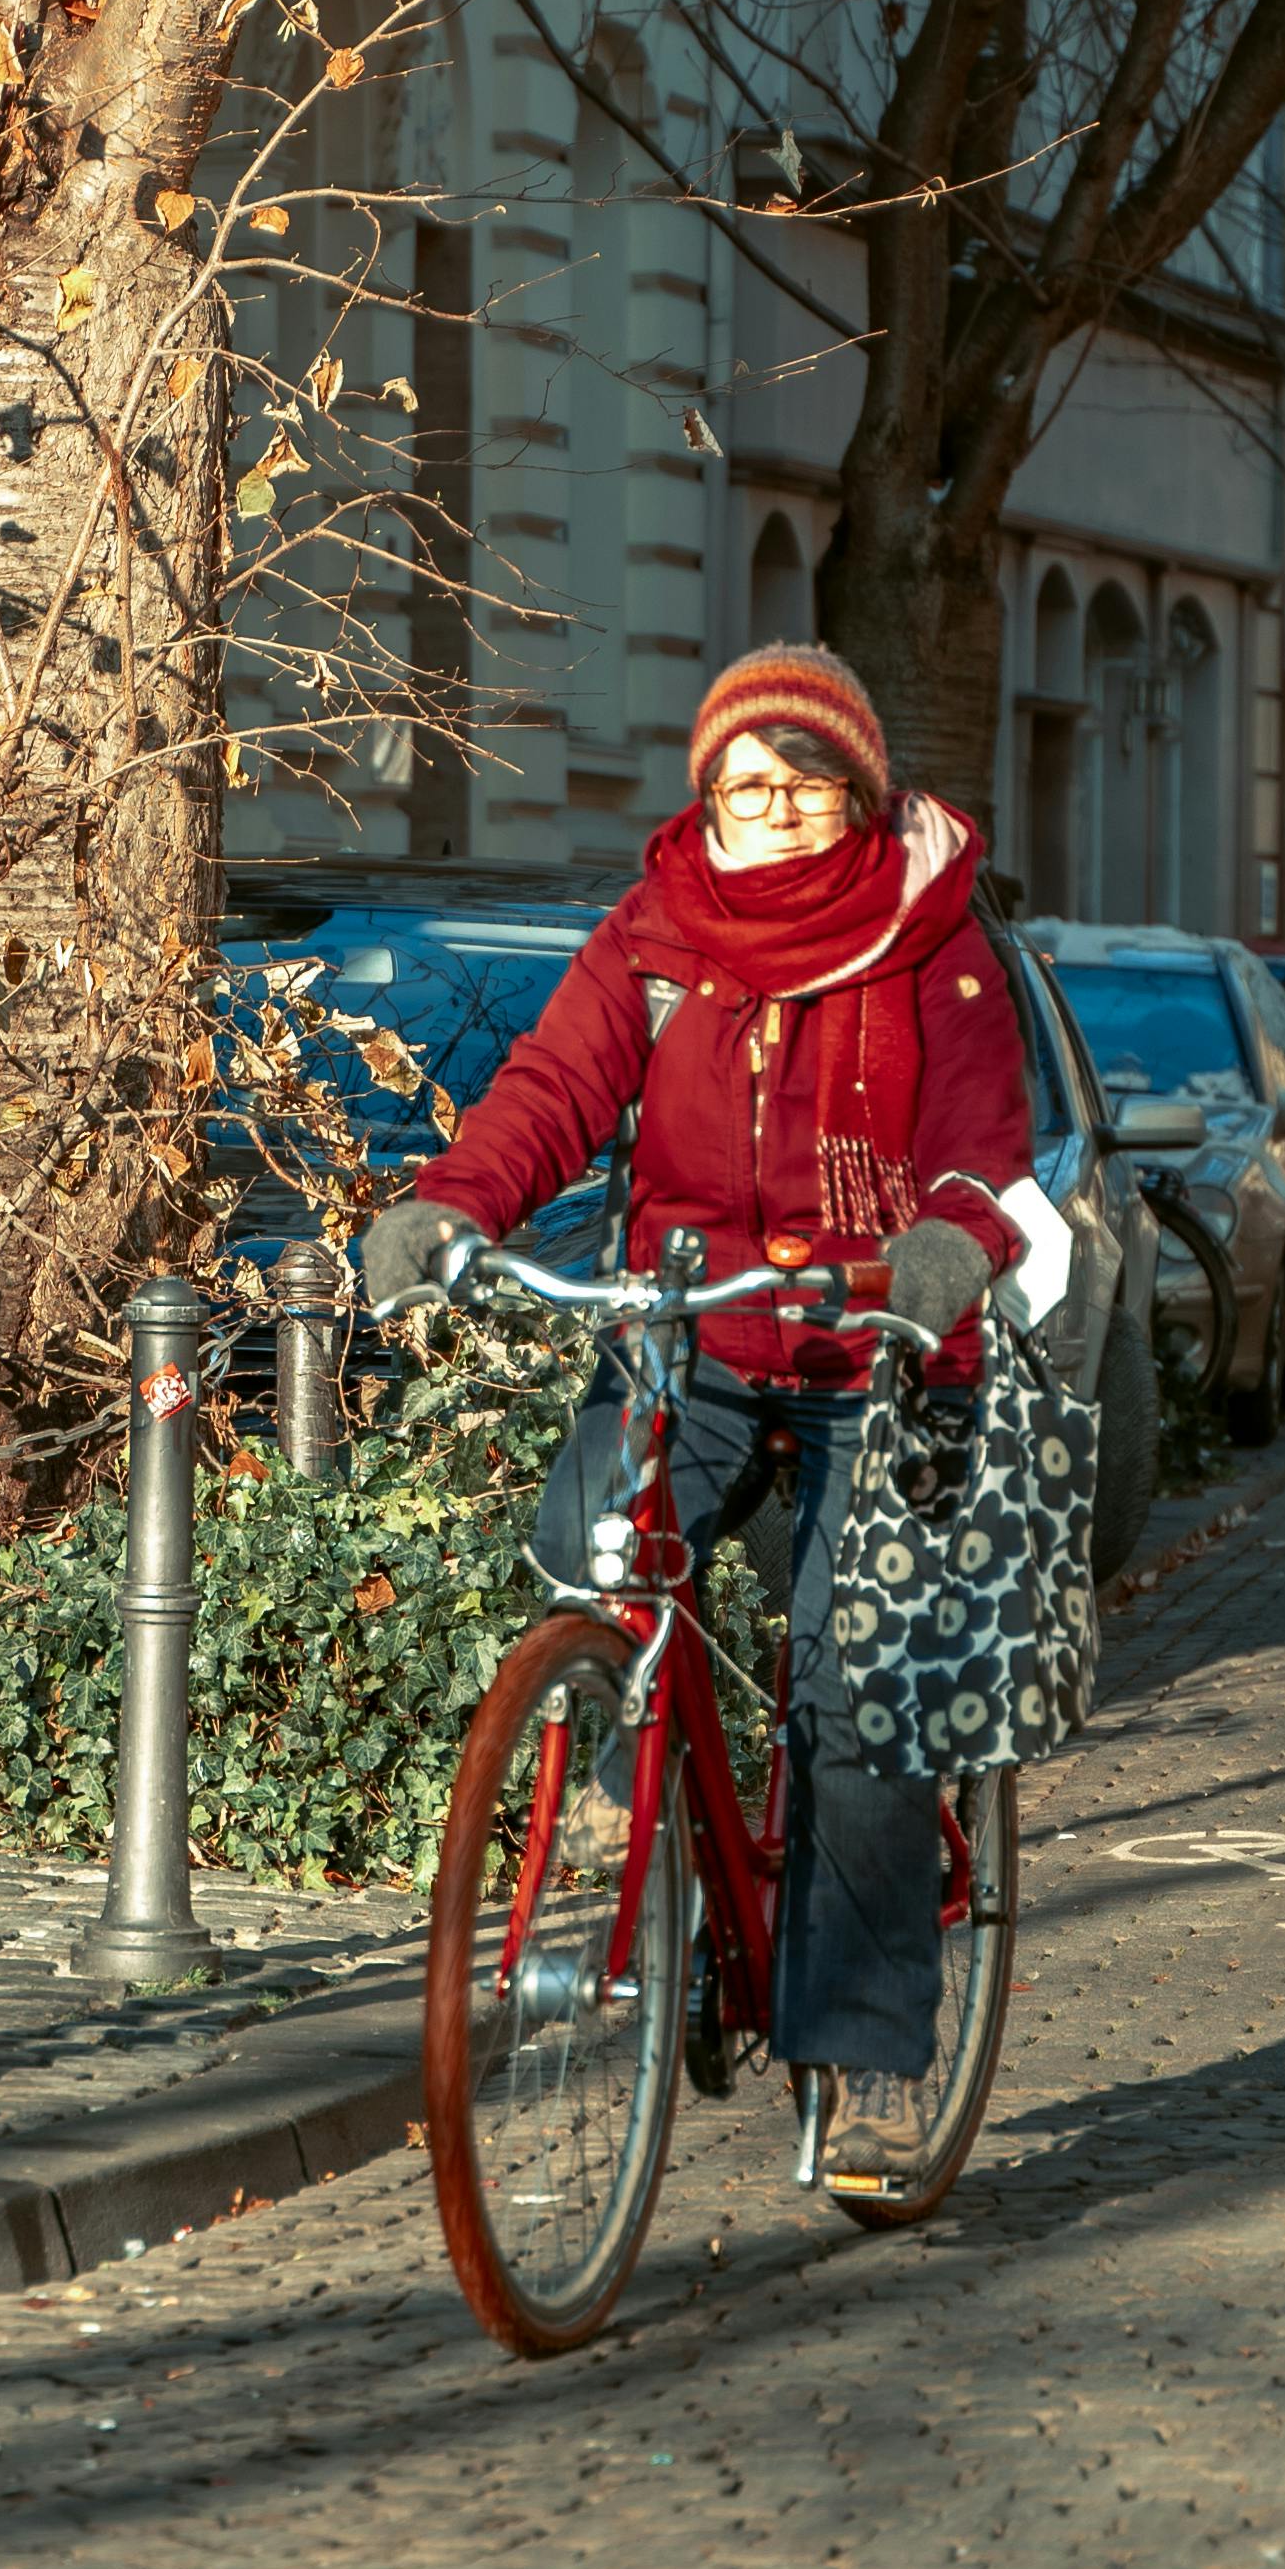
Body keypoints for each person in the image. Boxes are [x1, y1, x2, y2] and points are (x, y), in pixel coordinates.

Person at [355, 644, 1051, 2186]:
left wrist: (947, 1244)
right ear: (710, 796)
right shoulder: (657, 932)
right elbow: (553, 1085)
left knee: (861, 1705)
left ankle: (867, 2061)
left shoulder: (931, 940)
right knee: (588, 1532)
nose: (778, 810)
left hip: (882, 1346)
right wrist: (452, 1206)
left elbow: (978, 1141)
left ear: (858, 794)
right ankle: (641, 1808)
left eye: (807, 784)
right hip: (700, 1334)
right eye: (750, 784)